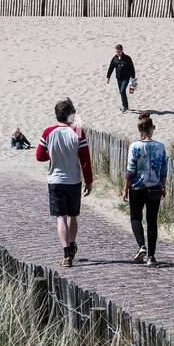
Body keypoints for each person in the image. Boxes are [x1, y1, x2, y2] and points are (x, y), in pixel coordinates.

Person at [36, 98, 93, 267]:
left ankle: (66, 252)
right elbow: (85, 160)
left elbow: (39, 156)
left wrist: (52, 154)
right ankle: (73, 244)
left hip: (55, 179)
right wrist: (89, 181)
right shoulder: (77, 132)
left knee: (60, 217)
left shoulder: (48, 132)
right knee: (72, 215)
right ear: (70, 115)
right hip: (73, 179)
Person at [124, 113, 168, 267]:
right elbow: (163, 170)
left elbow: (130, 170)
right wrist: (164, 186)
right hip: (154, 187)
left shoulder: (135, 147)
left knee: (136, 218)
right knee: (152, 221)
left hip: (137, 187)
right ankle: (151, 256)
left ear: (140, 130)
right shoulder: (160, 147)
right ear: (151, 129)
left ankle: (141, 246)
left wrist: (125, 188)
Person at [106, 44, 137, 112]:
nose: (117, 53)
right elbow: (111, 68)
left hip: (126, 77)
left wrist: (133, 78)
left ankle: (124, 106)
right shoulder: (115, 58)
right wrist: (108, 77)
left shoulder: (127, 58)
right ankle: (125, 105)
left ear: (122, 50)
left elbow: (132, 68)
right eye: (116, 52)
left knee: (122, 91)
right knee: (121, 92)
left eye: (119, 52)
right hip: (118, 78)